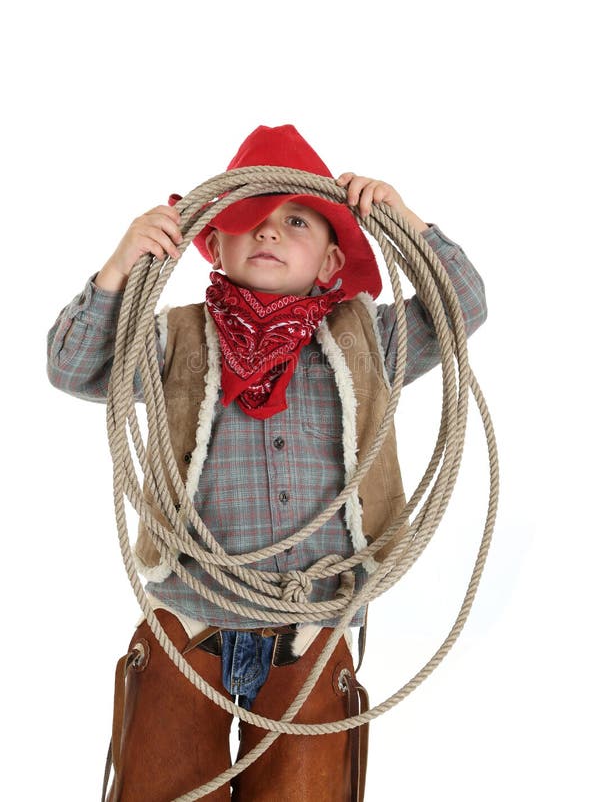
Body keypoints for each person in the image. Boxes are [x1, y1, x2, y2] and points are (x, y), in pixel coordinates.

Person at [47, 124, 487, 801]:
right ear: (215, 246)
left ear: (333, 261)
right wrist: (119, 266)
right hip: (190, 617)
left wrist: (402, 217)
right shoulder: (173, 339)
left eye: (296, 221)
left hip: (310, 627)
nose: (270, 232)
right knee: (160, 781)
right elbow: (73, 367)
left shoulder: (369, 340)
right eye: (249, 220)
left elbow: (463, 307)